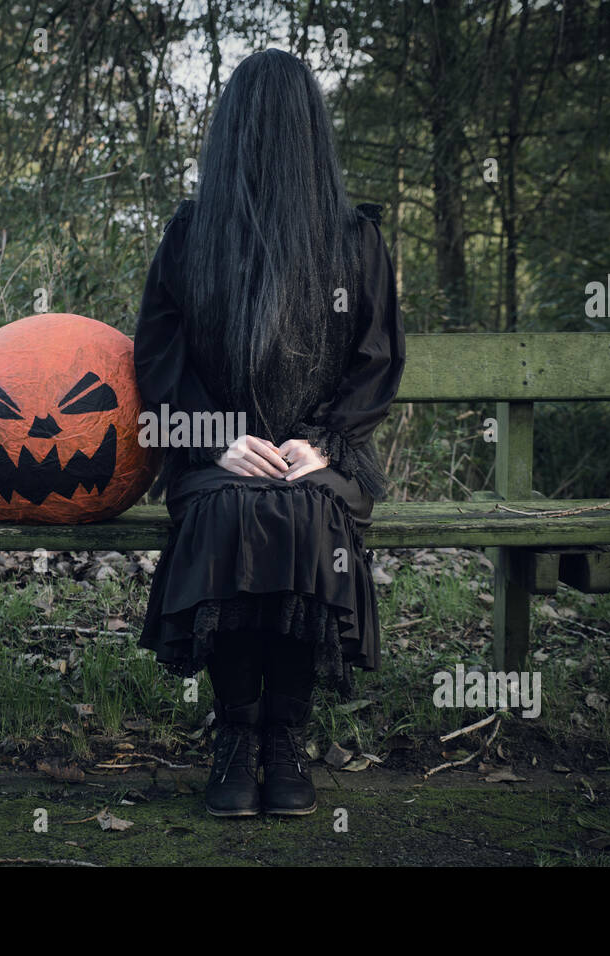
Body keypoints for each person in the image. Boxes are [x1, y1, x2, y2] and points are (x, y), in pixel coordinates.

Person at [133, 48, 405, 817]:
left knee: (306, 511)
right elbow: (156, 361)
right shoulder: (192, 236)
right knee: (231, 510)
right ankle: (236, 733)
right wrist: (217, 438)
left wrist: (324, 442)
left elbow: (377, 361)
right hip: (209, 451)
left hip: (324, 450)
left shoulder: (354, 240)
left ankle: (284, 733)